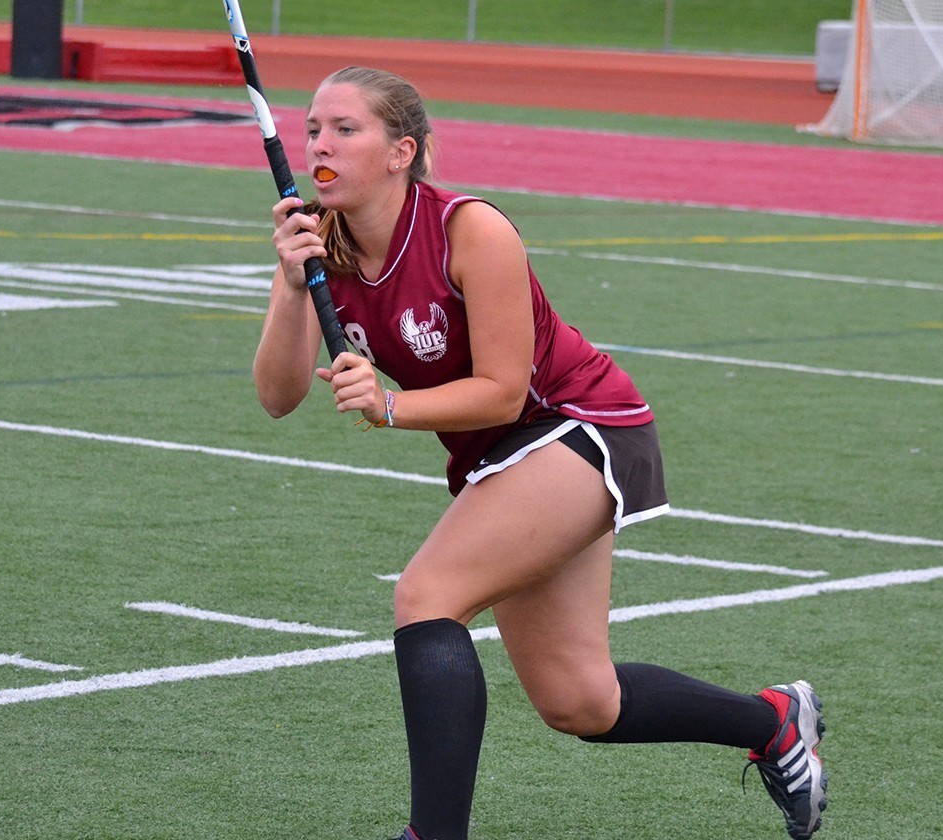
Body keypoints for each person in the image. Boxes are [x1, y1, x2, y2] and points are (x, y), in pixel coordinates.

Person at [252, 65, 828, 840]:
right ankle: (772, 722)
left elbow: (501, 389)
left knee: (426, 596)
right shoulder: (321, 246)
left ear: (401, 152)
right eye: (313, 128)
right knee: (580, 702)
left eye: (345, 129)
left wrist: (392, 406)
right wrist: (291, 286)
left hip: (581, 425)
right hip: (502, 460)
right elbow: (277, 396)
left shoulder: (469, 229)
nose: (319, 144)